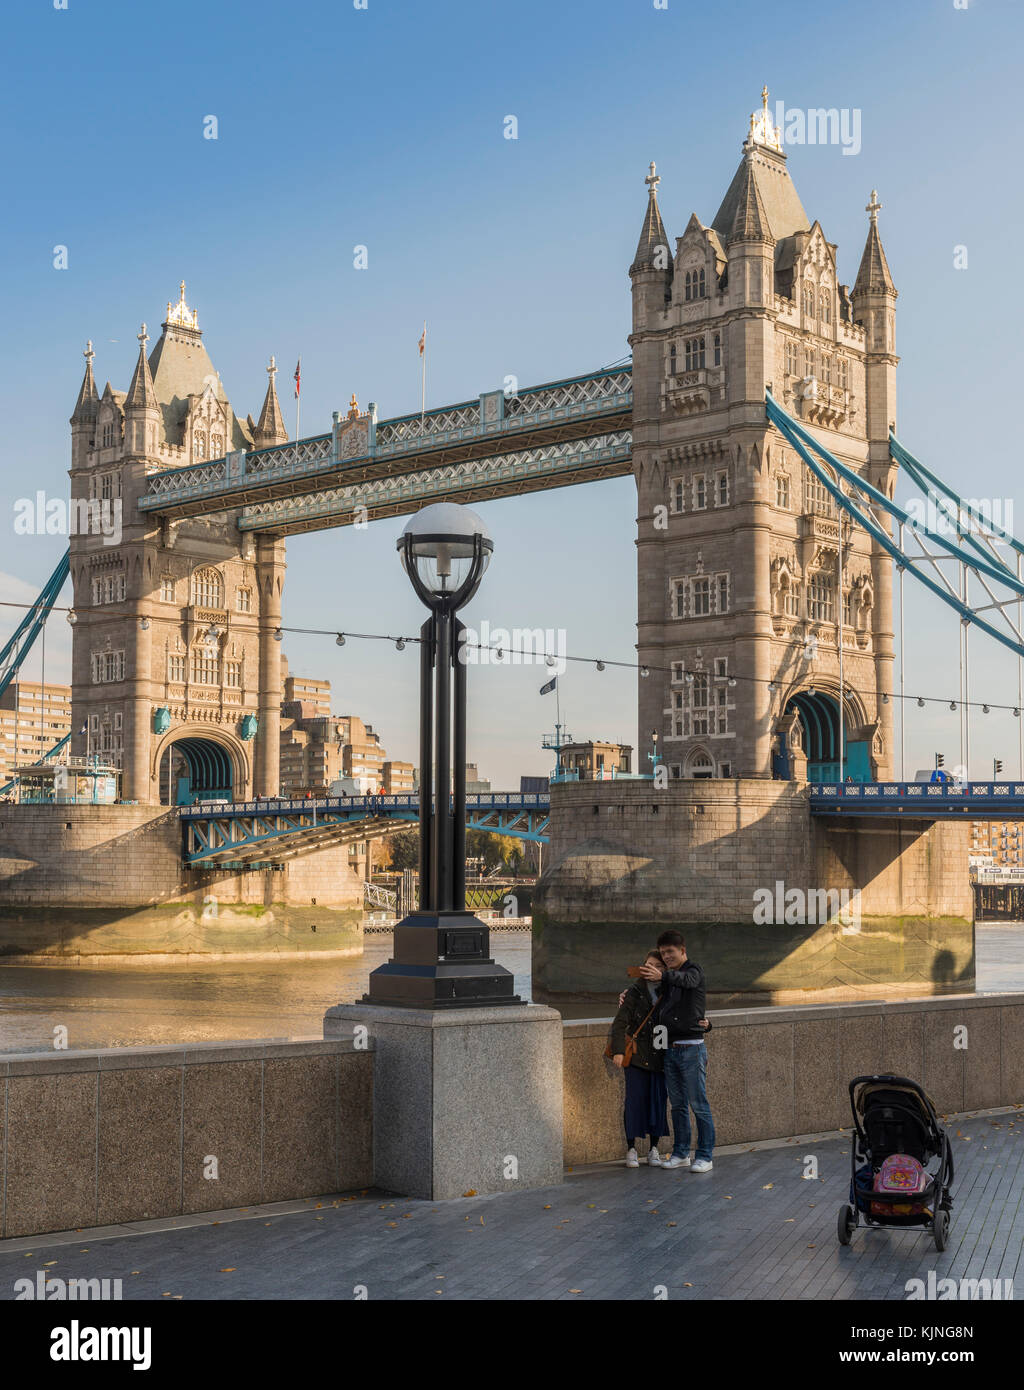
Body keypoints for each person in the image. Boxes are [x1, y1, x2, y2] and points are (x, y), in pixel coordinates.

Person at [641, 930, 715, 1173]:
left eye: (670, 952)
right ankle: (681, 1153)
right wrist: (627, 995)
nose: (667, 956)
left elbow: (687, 982)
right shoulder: (667, 979)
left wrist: (664, 974)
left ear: (682, 950)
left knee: (699, 1104)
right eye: (663, 953)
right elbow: (653, 1001)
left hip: (692, 1050)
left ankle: (705, 1156)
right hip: (670, 1049)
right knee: (678, 1105)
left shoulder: (694, 971)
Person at [610, 951, 671, 1167]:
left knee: (658, 1101)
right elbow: (619, 1024)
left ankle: (654, 1149)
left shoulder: (671, 990)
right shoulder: (635, 991)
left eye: (655, 965)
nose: (649, 968)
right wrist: (618, 1051)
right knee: (634, 1102)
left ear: (663, 970)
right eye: (646, 964)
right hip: (636, 1056)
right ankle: (631, 1149)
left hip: (661, 1055)